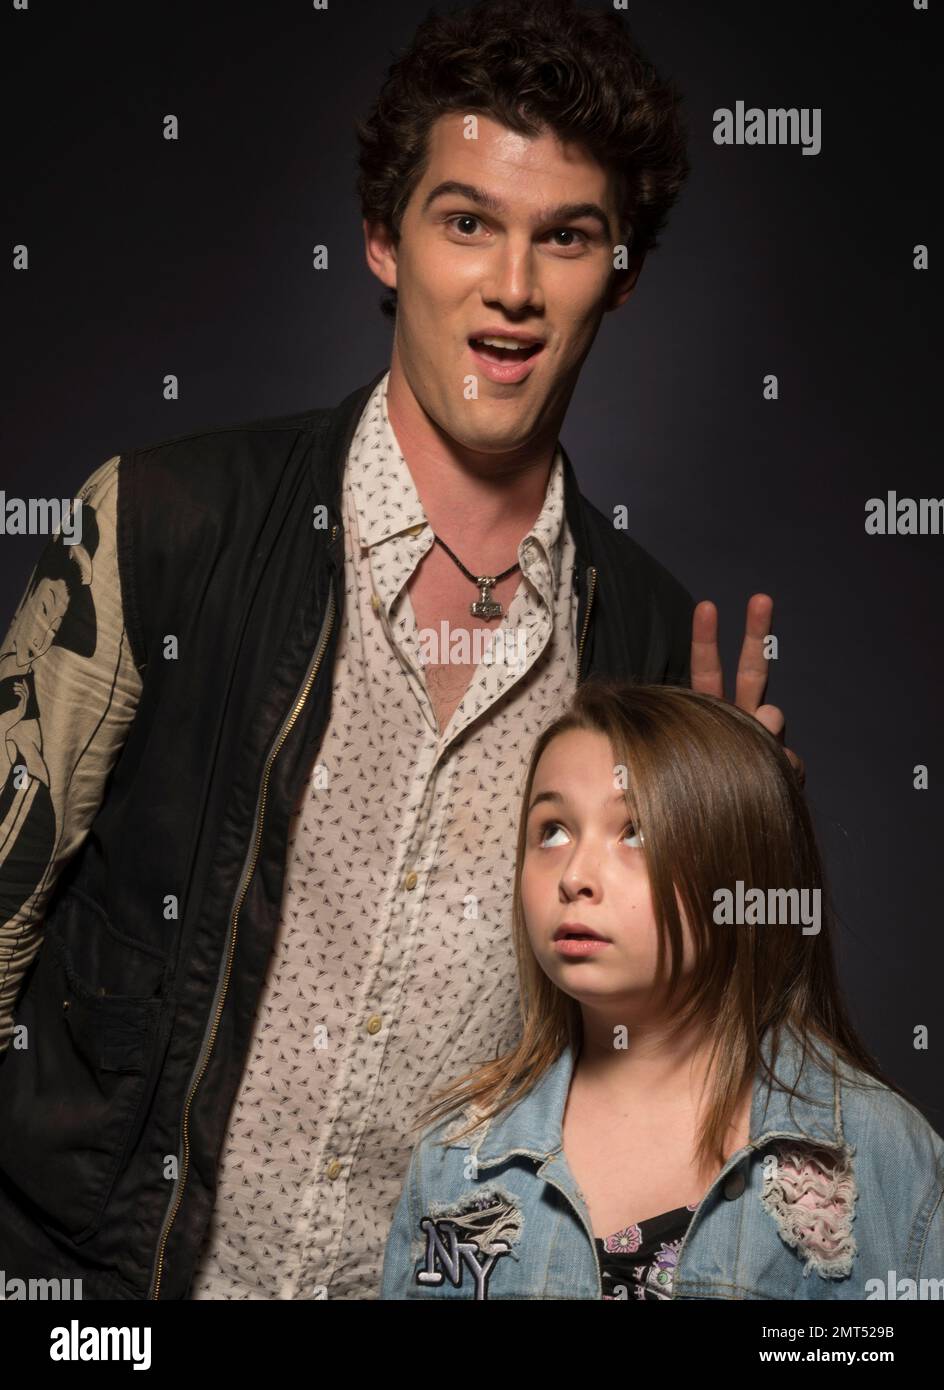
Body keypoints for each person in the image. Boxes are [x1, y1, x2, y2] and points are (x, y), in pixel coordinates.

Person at [0, 0, 800, 1299]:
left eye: (568, 238)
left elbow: (651, 1104)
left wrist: (728, 892)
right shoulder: (161, 527)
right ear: (384, 238)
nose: (514, 288)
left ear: (623, 273)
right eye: (467, 219)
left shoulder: (648, 651)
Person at [380, 679, 944, 1301]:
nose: (574, 877)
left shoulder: (879, 1156)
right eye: (552, 831)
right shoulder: (455, 1160)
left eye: (637, 832)